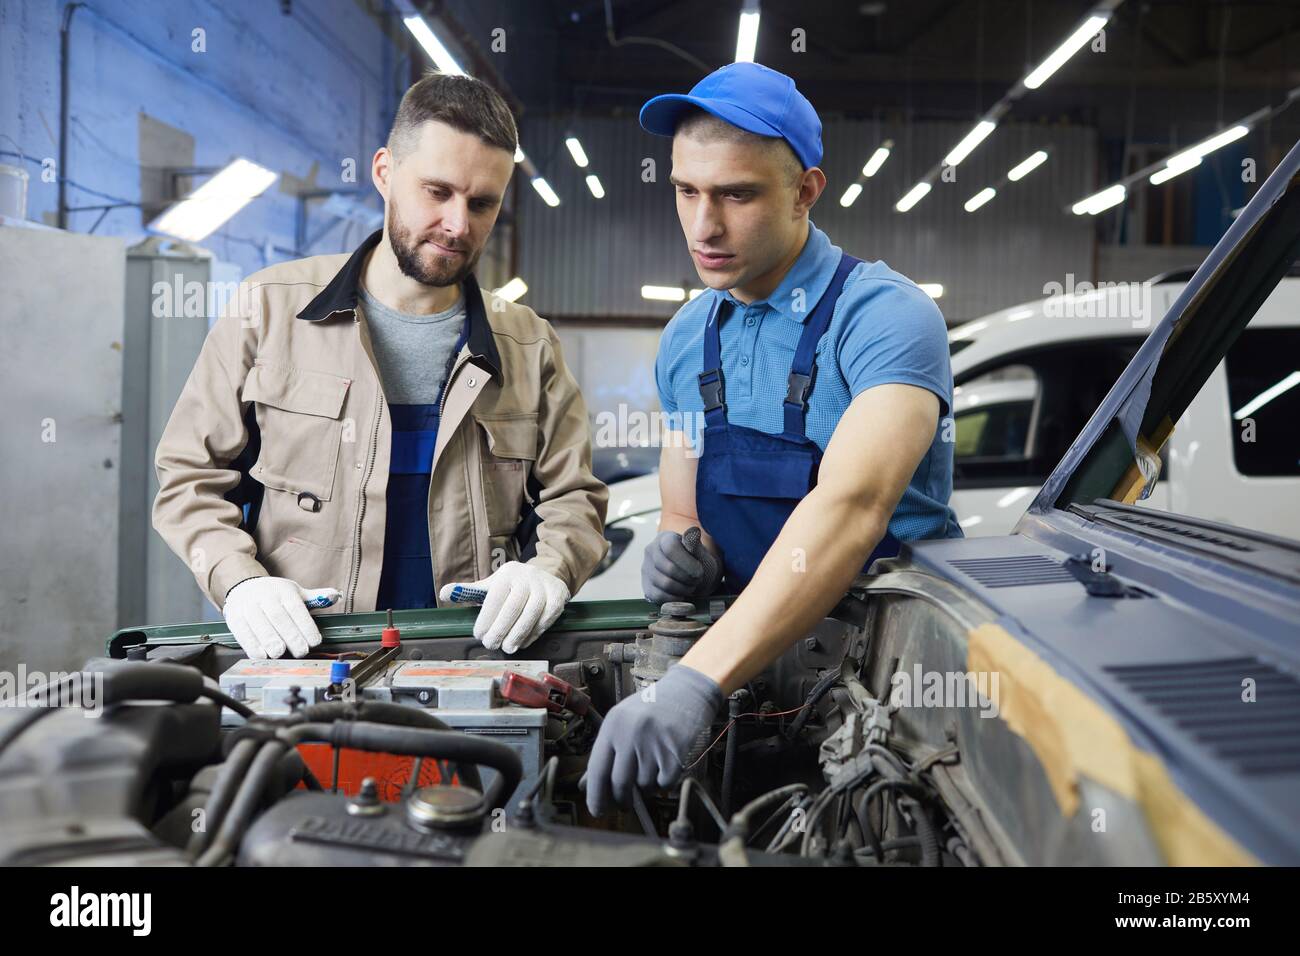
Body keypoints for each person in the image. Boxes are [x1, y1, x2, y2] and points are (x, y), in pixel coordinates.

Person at [585, 62, 962, 816]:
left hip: (886, 678)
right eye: (687, 192)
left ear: (806, 191)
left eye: (737, 194)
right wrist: (683, 556)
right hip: (749, 674)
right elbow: (680, 505)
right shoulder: (688, 339)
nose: (704, 226)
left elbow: (852, 508)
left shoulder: (886, 319)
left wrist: (694, 680)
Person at [153, 72, 608, 660]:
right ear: (385, 172)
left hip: (470, 663)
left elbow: (575, 498)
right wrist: (238, 579)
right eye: (437, 191)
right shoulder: (267, 310)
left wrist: (550, 569)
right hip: (306, 659)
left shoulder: (528, 346)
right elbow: (190, 476)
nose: (457, 224)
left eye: (482, 203)